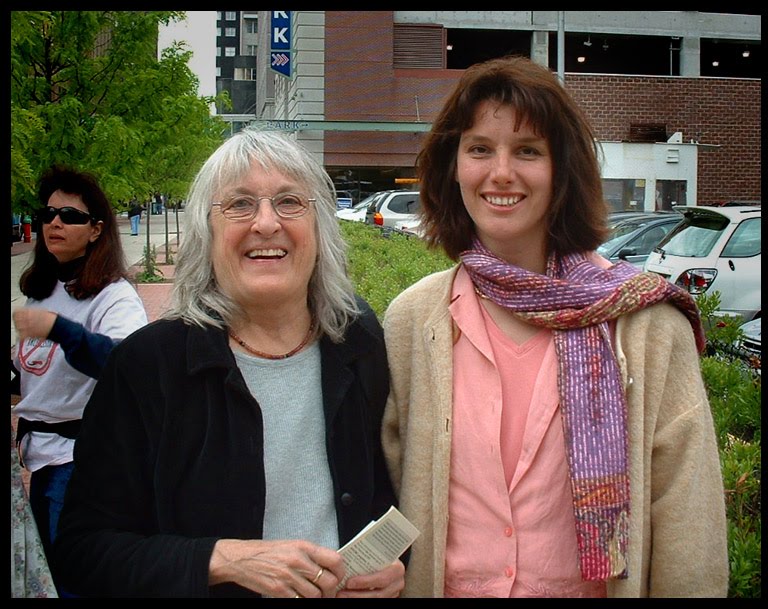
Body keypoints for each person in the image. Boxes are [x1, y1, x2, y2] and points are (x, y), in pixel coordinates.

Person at [381, 56, 728, 598]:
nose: (501, 173)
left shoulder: (644, 324)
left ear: (562, 170)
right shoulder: (412, 320)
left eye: (528, 151)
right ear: (452, 167)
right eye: (479, 149)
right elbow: (388, 490)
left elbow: (689, 524)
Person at [54, 129, 405, 598]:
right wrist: (219, 560)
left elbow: (381, 493)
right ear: (207, 233)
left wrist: (391, 570)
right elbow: (82, 552)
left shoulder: (358, 339)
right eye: (240, 204)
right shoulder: (146, 366)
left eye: (289, 202)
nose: (266, 223)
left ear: (321, 228)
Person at [11, 165, 149, 594]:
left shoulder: (114, 296)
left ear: (96, 230)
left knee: (72, 577)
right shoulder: (42, 290)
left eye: (70, 216)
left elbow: (128, 367)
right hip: (40, 457)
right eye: (48, 214)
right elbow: (34, 371)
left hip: (78, 462)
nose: (55, 223)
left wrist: (61, 329)